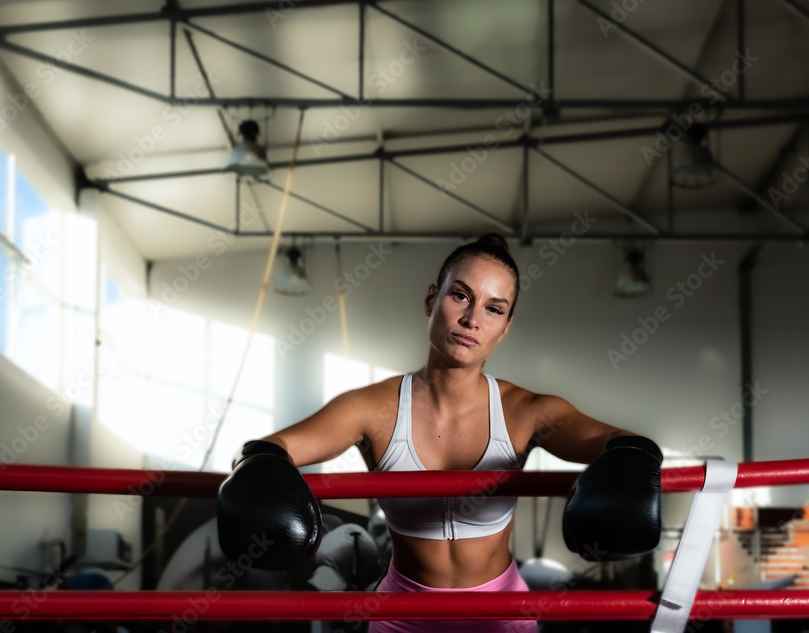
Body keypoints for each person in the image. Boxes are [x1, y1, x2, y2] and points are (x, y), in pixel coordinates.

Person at [217, 233, 663, 632]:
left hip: (500, 616)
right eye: (460, 295)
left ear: (505, 328)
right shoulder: (371, 409)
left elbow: (623, 445)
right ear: (432, 299)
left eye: (493, 309)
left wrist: (630, 460)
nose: (472, 319)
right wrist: (261, 467)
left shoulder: (526, 412)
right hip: (403, 616)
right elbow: (271, 450)